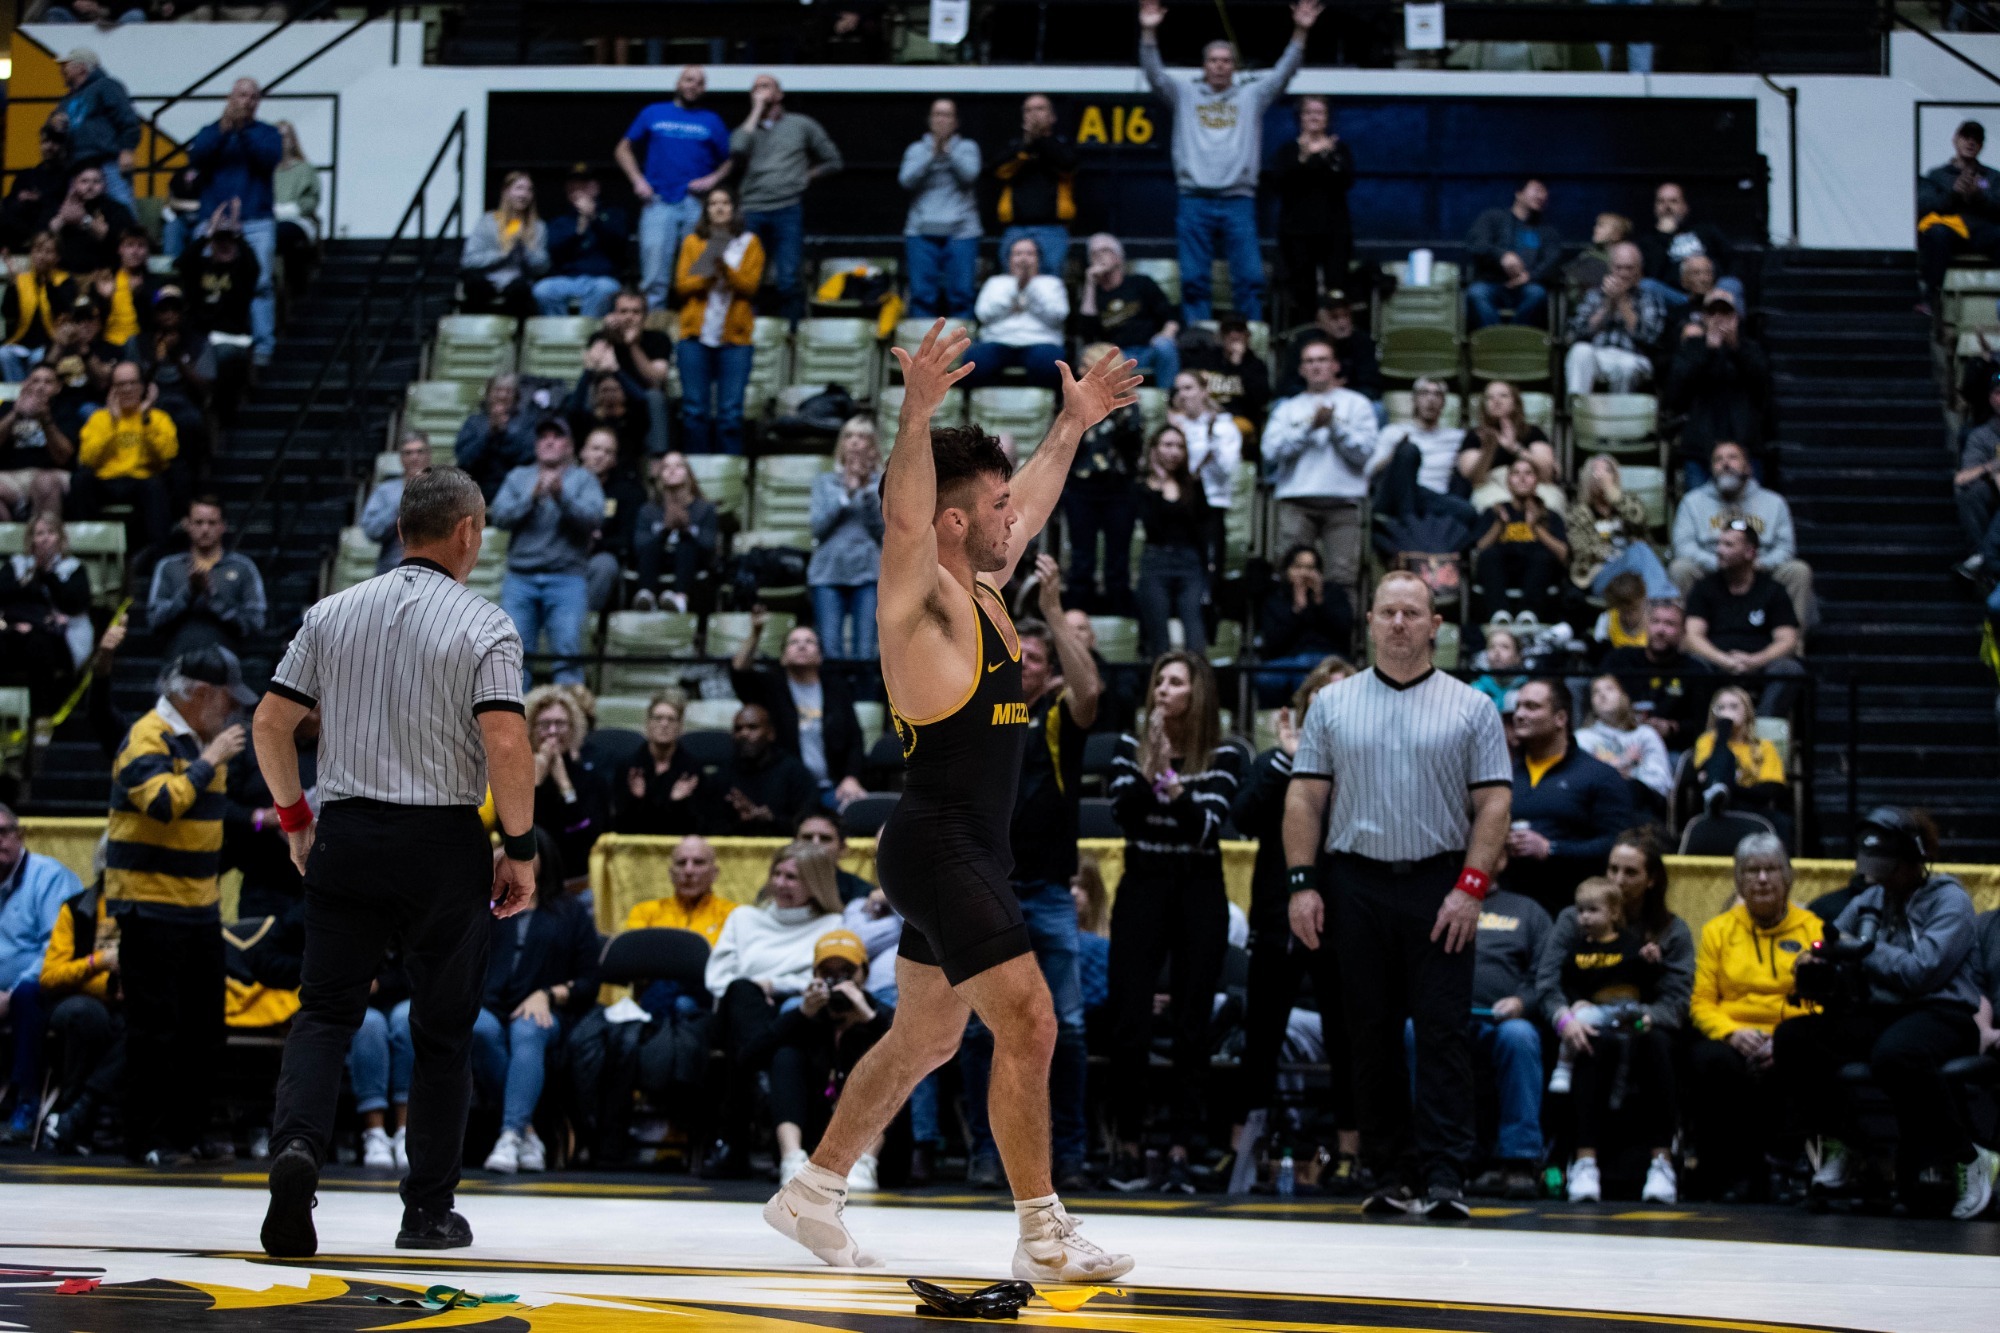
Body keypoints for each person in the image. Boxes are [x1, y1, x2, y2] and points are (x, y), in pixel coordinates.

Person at [762, 324, 1138, 1279]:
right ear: (962, 520)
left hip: (953, 846)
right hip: (939, 844)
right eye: (999, 505)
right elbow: (904, 520)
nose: (1018, 517)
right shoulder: (918, 597)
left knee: (927, 1033)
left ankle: (812, 1190)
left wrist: (1072, 424)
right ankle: (1043, 1233)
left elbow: (1033, 498)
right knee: (1032, 1021)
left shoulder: (986, 591)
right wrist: (916, 409)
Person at [254, 466, 538, 1256]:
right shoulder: (486, 625)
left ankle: (299, 1149)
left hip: (345, 833)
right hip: (442, 842)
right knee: (443, 1031)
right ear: (468, 532)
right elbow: (507, 741)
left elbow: (270, 724)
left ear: (401, 528)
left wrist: (294, 816)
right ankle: (426, 1211)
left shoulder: (330, 611)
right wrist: (520, 848)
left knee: (325, 1012)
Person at [1282, 570, 1513, 1219]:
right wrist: (1303, 883)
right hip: (1355, 881)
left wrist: (1471, 887)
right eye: (1389, 611)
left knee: (1443, 1030)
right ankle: (1386, 1171)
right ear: (1371, 621)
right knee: (1368, 1032)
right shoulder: (1333, 704)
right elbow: (1304, 795)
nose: (1401, 623)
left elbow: (1495, 800)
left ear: (1436, 624)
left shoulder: (1472, 706)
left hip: (1442, 881)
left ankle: (1445, 1174)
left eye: (1414, 612)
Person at [952, 561, 1103, 1190]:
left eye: (1036, 659)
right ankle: (988, 1153)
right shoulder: (978, 714)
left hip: (1045, 893)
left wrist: (1054, 605)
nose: (1024, 666)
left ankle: (1068, 1152)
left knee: (1065, 1029)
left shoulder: (1056, 722)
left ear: (1048, 672)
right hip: (987, 894)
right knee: (981, 1032)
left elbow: (1090, 692)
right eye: (1019, 656)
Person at [1773, 806, 1997, 1221]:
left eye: (1889, 868)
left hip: (1944, 1011)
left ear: (1915, 859)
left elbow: (1920, 972)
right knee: (1795, 1038)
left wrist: (1866, 950)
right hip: (1884, 1012)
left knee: (1895, 1055)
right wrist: (1813, 964)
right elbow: (1833, 943)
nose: (1878, 878)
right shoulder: (1871, 898)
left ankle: (1968, 1155)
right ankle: (1851, 1142)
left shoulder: (1951, 900)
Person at [104, 648, 252, 1164]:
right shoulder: (146, 736)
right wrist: (207, 762)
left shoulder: (200, 740)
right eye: (228, 701)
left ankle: (187, 1135)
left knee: (205, 1029)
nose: (232, 713)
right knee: (154, 1032)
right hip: (148, 906)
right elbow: (163, 804)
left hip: (198, 908)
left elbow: (210, 817)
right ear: (200, 695)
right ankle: (145, 1140)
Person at [1105, 652, 1244, 1190]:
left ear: (1198, 693)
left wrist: (1171, 782)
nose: (1162, 689)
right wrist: (1153, 772)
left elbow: (1206, 827)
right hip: (1142, 883)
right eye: (1158, 680)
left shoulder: (1227, 753)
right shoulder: (1126, 747)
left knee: (1192, 1022)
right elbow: (1126, 811)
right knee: (1129, 1020)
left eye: (1175, 682)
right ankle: (1129, 1145)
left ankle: (1185, 1145)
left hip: (1198, 886)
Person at [1232, 660, 1358, 1192]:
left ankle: (1352, 1150)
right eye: (1321, 699)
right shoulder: (1276, 761)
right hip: (1277, 911)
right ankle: (1239, 1152)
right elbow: (1243, 816)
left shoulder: (1363, 763)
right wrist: (1286, 757)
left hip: (1346, 913)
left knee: (1347, 1036)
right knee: (1259, 1034)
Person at [1137, 0, 1323, 322]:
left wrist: (1301, 31)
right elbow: (1153, 74)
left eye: (1226, 61)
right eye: (1214, 60)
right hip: (1194, 198)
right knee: (1194, 282)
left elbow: (1285, 72)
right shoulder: (1184, 94)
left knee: (1250, 280)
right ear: (1204, 65)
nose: (1220, 66)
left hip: (1238, 200)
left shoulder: (1251, 96)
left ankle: (1250, 338)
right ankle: (1199, 340)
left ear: (1234, 66)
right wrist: (1149, 31)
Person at [702, 843, 847, 1177]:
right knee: (743, 993)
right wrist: (759, 988)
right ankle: (790, 1153)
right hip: (746, 1014)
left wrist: (772, 985)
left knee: (786, 1047)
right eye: (777, 874)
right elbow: (718, 978)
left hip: (800, 1016)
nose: (782, 883)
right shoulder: (744, 918)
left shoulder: (832, 923)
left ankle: (737, 1146)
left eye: (793, 877)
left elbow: (824, 980)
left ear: (816, 883)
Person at [1688, 834, 1820, 1201]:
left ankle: (1786, 1168)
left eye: (1771, 870)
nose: (1762, 879)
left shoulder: (1813, 929)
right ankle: (1736, 1171)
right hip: (1735, 1035)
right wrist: (1732, 1034)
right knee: (1709, 1060)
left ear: (1787, 877)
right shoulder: (1718, 931)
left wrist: (1780, 1038)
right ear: (1738, 881)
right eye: (1752, 871)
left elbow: (1822, 1004)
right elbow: (1700, 1002)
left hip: (1788, 1036)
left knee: (1800, 1052)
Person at [1545, 877, 1679, 1205]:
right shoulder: (1577, 949)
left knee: (1655, 1043)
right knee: (1590, 1037)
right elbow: (1562, 982)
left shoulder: (1632, 945)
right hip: (1595, 1020)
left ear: (1614, 913)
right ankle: (1584, 1162)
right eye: (1581, 911)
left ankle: (1661, 1163)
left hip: (1632, 1014)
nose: (1585, 918)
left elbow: (1655, 985)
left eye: (1593, 910)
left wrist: (1652, 961)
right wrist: (1572, 1008)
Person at [476, 828, 602, 1174]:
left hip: (548, 1011)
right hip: (487, 1005)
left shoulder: (569, 910)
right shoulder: (484, 907)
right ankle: (528, 1132)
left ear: (545, 859)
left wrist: (547, 994)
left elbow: (590, 980)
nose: (516, 862)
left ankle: (509, 1135)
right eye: (508, 855)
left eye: (525, 854)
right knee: (479, 1029)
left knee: (528, 1030)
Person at [1263, 337, 1384, 604]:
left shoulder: (1357, 404)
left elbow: (1364, 453)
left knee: (1343, 577)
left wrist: (1334, 427)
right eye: (1309, 361)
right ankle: (1291, 639)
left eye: (1322, 360)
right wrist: (1309, 427)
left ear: (1335, 366)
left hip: (1344, 503)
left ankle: (1340, 643)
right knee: (1290, 574)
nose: (1316, 366)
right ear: (1301, 369)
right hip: (1296, 502)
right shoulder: (1288, 408)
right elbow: (1270, 453)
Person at [1502, 678, 1635, 915]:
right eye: (1518, 707)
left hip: (1574, 909)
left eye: (1532, 707)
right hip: (1511, 909)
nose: (1520, 715)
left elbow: (1617, 844)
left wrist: (1551, 848)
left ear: (1560, 718)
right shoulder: (1504, 774)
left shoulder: (1599, 776)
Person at [490, 419, 607, 688]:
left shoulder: (583, 479)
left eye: (557, 436)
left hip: (566, 577)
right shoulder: (518, 477)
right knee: (512, 656)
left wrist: (561, 496)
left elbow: (593, 519)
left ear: (569, 446)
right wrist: (530, 498)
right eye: (544, 437)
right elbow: (499, 517)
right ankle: (513, 720)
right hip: (521, 577)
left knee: (568, 654)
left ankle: (568, 720)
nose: (550, 441)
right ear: (536, 445)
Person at [1460, 880, 1552, 1199]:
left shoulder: (1527, 910)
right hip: (1449, 1016)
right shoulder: (1441, 900)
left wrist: (1523, 1002)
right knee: (1413, 1032)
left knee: (1520, 1036)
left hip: (1505, 1020)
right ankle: (1426, 1155)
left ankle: (1519, 1161)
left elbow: (1547, 971)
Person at [0, 803, 85, 1139]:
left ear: (20, 836)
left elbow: (55, 948)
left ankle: (26, 1099)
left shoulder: (47, 876)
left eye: (3, 833)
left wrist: (8, 994)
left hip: (48, 982)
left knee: (27, 995)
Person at [616, 66, 732, 311]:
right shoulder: (653, 112)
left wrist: (713, 179)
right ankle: (653, 334)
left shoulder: (711, 120)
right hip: (657, 202)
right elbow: (622, 149)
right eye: (689, 80)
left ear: (704, 89)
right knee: (654, 278)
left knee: (699, 273)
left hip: (696, 205)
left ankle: (694, 332)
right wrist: (637, 180)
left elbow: (732, 158)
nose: (693, 86)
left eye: (699, 83)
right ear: (678, 83)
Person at [730, 74, 843, 323]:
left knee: (788, 277)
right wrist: (756, 109)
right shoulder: (748, 128)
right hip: (752, 208)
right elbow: (737, 149)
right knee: (747, 275)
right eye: (756, 88)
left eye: (766, 86)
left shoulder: (801, 124)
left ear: (779, 94)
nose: (760, 91)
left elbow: (833, 160)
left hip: (787, 208)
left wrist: (806, 176)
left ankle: (792, 332)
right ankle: (746, 328)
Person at [185, 79, 281, 366]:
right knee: (199, 277)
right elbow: (198, 157)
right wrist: (225, 129)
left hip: (256, 219)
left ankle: (263, 346)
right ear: (229, 98)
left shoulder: (268, 133)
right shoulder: (211, 131)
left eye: (253, 97)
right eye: (241, 95)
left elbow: (267, 160)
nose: (247, 101)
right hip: (213, 219)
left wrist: (242, 131)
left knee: (261, 282)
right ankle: (201, 339)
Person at [1670, 441, 1815, 630]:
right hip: (1712, 568)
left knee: (1798, 571)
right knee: (1680, 568)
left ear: (1748, 466)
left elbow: (1785, 548)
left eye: (1733, 458)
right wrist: (1720, 562)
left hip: (1759, 568)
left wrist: (1757, 565)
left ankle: (1792, 644)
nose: (1725, 464)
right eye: (1718, 460)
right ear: (1712, 469)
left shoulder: (1773, 502)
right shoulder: (1692, 502)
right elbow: (1683, 547)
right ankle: (1686, 642)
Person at [731, 614, 869, 810]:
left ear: (820, 656)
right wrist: (756, 633)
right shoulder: (772, 687)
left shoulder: (836, 689)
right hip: (787, 790)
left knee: (860, 810)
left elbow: (854, 739)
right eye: (794, 642)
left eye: (809, 642)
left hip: (833, 787)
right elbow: (739, 672)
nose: (802, 646)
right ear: (783, 657)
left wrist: (851, 778)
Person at [1682, 520, 1806, 719]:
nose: (1719, 550)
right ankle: (1704, 734)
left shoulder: (1772, 590)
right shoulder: (1704, 588)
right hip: (1716, 665)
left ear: (1749, 552)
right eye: (1719, 544)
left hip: (1760, 666)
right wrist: (1726, 662)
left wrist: (1754, 662)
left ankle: (1763, 731)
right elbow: (1692, 637)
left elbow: (1788, 639)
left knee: (1790, 669)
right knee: (1693, 664)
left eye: (1728, 545)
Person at [673, 189, 763, 457]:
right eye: (713, 203)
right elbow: (682, 285)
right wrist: (710, 273)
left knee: (730, 415)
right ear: (706, 210)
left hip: (735, 340)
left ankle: (728, 470)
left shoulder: (749, 242)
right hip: (695, 337)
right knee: (694, 411)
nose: (719, 208)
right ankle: (698, 469)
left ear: (734, 209)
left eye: (725, 203)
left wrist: (725, 268)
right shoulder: (693, 242)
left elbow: (749, 286)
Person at [1060, 342, 1145, 614]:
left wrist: (1114, 412)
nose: (1080, 369)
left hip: (1119, 489)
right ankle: (1076, 616)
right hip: (1081, 488)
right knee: (1081, 558)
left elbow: (1134, 451)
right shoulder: (1073, 400)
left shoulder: (1130, 404)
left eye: (1086, 364)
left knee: (1117, 560)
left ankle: (1119, 617)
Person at [69, 359, 175, 555]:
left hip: (141, 481)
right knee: (80, 479)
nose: (127, 389)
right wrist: (114, 422)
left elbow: (166, 457)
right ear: (112, 389)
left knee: (157, 484)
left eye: (132, 383)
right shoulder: (99, 419)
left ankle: (158, 554)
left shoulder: (158, 418)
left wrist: (144, 420)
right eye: (120, 384)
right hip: (105, 482)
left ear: (143, 387)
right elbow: (87, 459)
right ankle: (88, 547)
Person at [1369, 376, 1479, 557]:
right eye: (1424, 393)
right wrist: (1394, 454)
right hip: (1397, 497)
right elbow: (1369, 471)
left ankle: (1416, 537)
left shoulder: (1456, 437)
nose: (1431, 399)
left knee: (1467, 512)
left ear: (1443, 402)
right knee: (1408, 451)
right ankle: (1410, 522)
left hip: (1436, 500)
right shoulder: (1393, 431)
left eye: (1437, 395)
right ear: (1414, 399)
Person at [1667, 289, 1771, 479]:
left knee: (1749, 509)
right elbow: (1676, 393)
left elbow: (1762, 386)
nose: (1718, 319)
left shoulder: (1751, 348)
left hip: (1745, 446)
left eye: (1725, 313)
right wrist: (1708, 351)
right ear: (1704, 318)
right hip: (1700, 447)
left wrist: (1735, 348)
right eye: (1712, 313)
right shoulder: (1692, 348)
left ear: (1736, 317)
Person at [146, 497, 267, 659]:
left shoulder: (243, 567)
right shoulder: (169, 567)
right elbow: (154, 621)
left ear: (223, 526)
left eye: (212, 523)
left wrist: (213, 597)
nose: (205, 529)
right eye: (198, 522)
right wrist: (189, 592)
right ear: (187, 524)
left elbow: (256, 624)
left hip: (227, 673)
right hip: (177, 668)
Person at [1273, 96, 1355, 324]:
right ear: (1300, 118)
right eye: (1309, 112)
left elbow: (1346, 180)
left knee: (1336, 289)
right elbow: (1281, 183)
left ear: (1328, 118)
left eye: (1319, 113)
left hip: (1333, 232)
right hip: (1297, 233)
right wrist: (1304, 157)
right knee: (1302, 291)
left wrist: (1328, 156)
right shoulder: (1288, 151)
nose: (1314, 117)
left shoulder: (1339, 149)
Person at [809, 417, 885, 660]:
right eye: (850, 436)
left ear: (872, 445)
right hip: (828, 572)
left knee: (865, 652)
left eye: (862, 437)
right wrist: (845, 495)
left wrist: (865, 493)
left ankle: (864, 699)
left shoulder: (882, 485)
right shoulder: (825, 482)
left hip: (868, 572)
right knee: (831, 651)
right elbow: (818, 528)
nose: (854, 442)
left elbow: (882, 531)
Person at [0, 513, 95, 708]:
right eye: (39, 533)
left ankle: (41, 714)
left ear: (60, 538)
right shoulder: (16, 565)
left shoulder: (73, 568)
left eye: (51, 533)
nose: (45, 538)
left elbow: (74, 604)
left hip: (61, 637)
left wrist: (48, 574)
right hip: (15, 630)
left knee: (37, 643)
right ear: (31, 540)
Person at [523, 686, 612, 893]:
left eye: (560, 724)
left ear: (573, 729)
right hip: (526, 889)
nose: (552, 732)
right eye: (544, 725)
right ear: (531, 729)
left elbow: (587, 834)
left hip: (576, 885)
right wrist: (535, 781)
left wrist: (564, 783)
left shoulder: (591, 780)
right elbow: (512, 831)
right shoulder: (515, 778)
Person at [1133, 424, 1211, 660]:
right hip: (1156, 561)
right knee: (1159, 640)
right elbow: (1151, 525)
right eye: (1167, 445)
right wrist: (1160, 482)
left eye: (1180, 446)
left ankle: (1199, 692)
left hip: (1190, 562)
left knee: (1196, 638)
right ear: (1154, 449)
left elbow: (1203, 527)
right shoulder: (1142, 487)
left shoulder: (1194, 485)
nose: (1174, 452)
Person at [900, 99, 981, 321]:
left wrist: (949, 152)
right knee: (922, 296)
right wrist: (932, 153)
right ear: (929, 120)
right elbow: (906, 180)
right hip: (921, 231)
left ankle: (962, 353)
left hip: (961, 232)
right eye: (937, 115)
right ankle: (922, 353)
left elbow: (970, 176)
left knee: (961, 295)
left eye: (947, 115)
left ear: (955, 122)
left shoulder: (967, 148)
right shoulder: (917, 149)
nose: (941, 120)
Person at [1470, 457, 1569, 628]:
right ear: (1508, 482)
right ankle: (1499, 612)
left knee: (1543, 557)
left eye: (1528, 473)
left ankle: (1528, 612)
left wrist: (1536, 527)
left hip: (1536, 576)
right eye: (1516, 473)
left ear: (1536, 481)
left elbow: (1563, 554)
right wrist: (1499, 525)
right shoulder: (1494, 512)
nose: (1522, 478)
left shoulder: (1550, 515)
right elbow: (1479, 550)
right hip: (1502, 573)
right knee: (1489, 555)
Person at [1600, 599, 1709, 753]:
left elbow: (1703, 723)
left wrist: (1671, 728)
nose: (1660, 629)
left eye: (1669, 624)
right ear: (1646, 625)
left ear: (1683, 632)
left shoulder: (1695, 671)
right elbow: (1597, 701)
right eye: (1655, 622)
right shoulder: (1620, 660)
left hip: (1671, 749)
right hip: (1617, 741)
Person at [1077, 233, 1181, 386]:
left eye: (1105, 251)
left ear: (1119, 258)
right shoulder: (1090, 295)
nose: (1099, 256)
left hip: (1149, 350)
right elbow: (1087, 334)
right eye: (1094, 253)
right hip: (1116, 357)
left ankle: (1168, 400)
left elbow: (1171, 317)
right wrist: (1090, 284)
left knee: (1165, 346)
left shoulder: (1141, 283)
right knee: (1093, 356)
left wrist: (1165, 335)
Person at [1918, 120, 2000, 314]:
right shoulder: (1936, 176)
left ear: (1981, 145)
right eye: (1966, 137)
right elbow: (1926, 206)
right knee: (1936, 234)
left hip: (1981, 233)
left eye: (1976, 139)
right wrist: (1953, 194)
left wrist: (1979, 196)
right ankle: (1931, 297)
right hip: (1950, 233)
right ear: (1955, 139)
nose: (1971, 143)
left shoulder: (1992, 177)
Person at [1563, 241, 1667, 394]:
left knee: (1626, 366)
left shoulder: (1649, 298)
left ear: (1639, 270)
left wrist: (1623, 302)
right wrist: (1607, 305)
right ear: (1610, 268)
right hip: (1598, 354)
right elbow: (1575, 333)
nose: (1624, 273)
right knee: (1580, 351)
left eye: (1629, 268)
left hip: (1633, 357)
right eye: (1619, 267)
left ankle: (1619, 416)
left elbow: (1649, 338)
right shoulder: (1594, 295)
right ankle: (1578, 409)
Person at [966, 236, 1069, 389]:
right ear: (1009, 259)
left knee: (1050, 364)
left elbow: (1057, 317)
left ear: (1038, 259)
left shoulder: (1052, 283)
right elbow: (983, 314)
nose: (1023, 259)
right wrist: (1015, 289)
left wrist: (1030, 288)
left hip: (1041, 342)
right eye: (1018, 254)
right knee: (975, 362)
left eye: (1029, 254)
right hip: (997, 341)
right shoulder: (995, 282)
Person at [1253, 544, 1352, 705]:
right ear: (1287, 571)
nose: (1304, 573)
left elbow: (1344, 632)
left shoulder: (1334, 594)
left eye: (1310, 568)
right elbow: (1272, 642)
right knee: (1268, 677)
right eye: (1298, 567)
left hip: (1327, 657)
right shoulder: (1276, 598)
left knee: (1309, 670)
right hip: (1286, 660)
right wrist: (1297, 610)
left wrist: (1320, 601)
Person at [1567, 454, 1675, 600]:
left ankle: (1658, 602)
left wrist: (1612, 493)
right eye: (1596, 472)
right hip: (1601, 575)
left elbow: (1639, 520)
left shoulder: (1627, 503)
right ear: (1587, 479)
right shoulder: (1578, 512)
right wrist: (1617, 555)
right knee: (1638, 551)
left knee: (1640, 550)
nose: (1602, 477)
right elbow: (1581, 549)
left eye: (1608, 471)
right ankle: (1664, 601)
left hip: (1633, 572)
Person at [993, 94, 1079, 276]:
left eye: (1040, 109)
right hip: (1015, 228)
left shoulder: (1062, 144)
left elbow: (1068, 165)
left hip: (1052, 229)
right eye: (1029, 110)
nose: (1034, 114)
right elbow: (998, 170)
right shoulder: (1014, 146)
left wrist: (1040, 139)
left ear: (1052, 117)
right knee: (1012, 284)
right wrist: (1026, 146)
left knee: (1049, 283)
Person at [1688, 685, 1790, 837]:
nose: (1727, 712)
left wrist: (1730, 788)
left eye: (1734, 706)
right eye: (1721, 708)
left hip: (1750, 805)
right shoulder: (1707, 741)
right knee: (1723, 757)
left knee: (1783, 822)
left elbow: (1770, 789)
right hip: (1713, 808)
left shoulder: (1764, 746)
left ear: (1747, 711)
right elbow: (1704, 777)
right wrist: (1724, 729)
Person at [533, 164, 629, 320]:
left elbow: (618, 244)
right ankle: (560, 336)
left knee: (606, 289)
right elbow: (553, 251)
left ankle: (588, 337)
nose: (578, 188)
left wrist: (593, 219)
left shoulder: (613, 215)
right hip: (566, 279)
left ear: (595, 188)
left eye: (584, 184)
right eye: (573, 184)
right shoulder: (560, 221)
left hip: (601, 278)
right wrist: (577, 232)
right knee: (542, 290)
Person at [1465, 179, 1562, 329]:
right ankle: (1495, 338)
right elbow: (1476, 245)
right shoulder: (1494, 218)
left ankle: (1514, 338)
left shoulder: (1546, 231)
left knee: (1537, 294)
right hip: (1493, 283)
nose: (1542, 196)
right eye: (1537, 190)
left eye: (1545, 192)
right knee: (1476, 293)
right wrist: (1502, 255)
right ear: (1519, 193)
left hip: (1527, 286)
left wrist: (1530, 276)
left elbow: (1553, 260)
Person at [51, 48, 140, 209]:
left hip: (107, 161)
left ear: (81, 68)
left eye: (66, 65)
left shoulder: (106, 86)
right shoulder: (68, 98)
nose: (62, 70)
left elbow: (127, 118)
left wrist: (127, 149)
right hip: (77, 165)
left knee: (121, 208)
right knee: (77, 212)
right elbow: (51, 127)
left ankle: (128, 234)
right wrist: (54, 124)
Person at [630, 450, 719, 612]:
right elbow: (638, 546)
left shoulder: (704, 508)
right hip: (658, 560)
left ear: (689, 474)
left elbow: (709, 546)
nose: (672, 470)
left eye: (678, 466)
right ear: (660, 475)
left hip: (692, 563)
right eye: (666, 467)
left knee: (686, 543)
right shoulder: (648, 510)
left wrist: (687, 529)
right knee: (652, 543)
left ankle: (680, 599)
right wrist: (665, 530)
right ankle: (646, 595)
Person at [616, 694, 715, 836]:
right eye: (658, 718)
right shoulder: (629, 768)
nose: (664, 724)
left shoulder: (692, 770)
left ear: (680, 727)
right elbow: (619, 827)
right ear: (648, 724)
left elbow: (700, 828)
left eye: (671, 719)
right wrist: (636, 800)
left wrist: (679, 804)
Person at [715, 703, 820, 837]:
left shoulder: (794, 773)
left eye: (753, 727)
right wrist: (741, 821)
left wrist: (772, 820)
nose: (744, 733)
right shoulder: (723, 775)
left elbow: (810, 824)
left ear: (770, 733)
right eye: (738, 729)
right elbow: (710, 828)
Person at [1574, 674, 1672, 813]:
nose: (1602, 694)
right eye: (1596, 692)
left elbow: (1660, 782)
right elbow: (1579, 781)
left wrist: (1627, 778)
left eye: (1609, 689)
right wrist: (1623, 762)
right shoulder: (1583, 737)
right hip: (1597, 806)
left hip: (1642, 804)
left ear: (1624, 697)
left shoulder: (1645, 734)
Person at [1454, 379, 1559, 509]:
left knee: (1551, 502)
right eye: (1489, 398)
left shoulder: (1532, 431)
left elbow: (1547, 472)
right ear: (1484, 406)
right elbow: (1470, 478)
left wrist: (1514, 447)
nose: (1496, 401)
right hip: (1492, 485)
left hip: (1532, 483)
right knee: (1488, 506)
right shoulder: (1476, 435)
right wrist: (1488, 450)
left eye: (1503, 396)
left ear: (1515, 403)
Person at [1167, 369, 1241, 548]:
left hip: (1211, 503)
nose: (1182, 395)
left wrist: (1211, 439)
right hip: (1177, 504)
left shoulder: (1222, 425)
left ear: (1203, 391)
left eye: (1188, 388)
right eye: (1178, 390)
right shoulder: (1173, 427)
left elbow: (1228, 469)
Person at [460, 172, 547, 319]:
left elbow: (543, 266)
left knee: (521, 290)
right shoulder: (488, 222)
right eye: (519, 188)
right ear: (506, 192)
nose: (524, 194)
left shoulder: (538, 226)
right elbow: (468, 261)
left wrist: (525, 246)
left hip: (517, 283)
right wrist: (502, 253)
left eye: (529, 190)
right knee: (474, 285)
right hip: (487, 280)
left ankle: (514, 337)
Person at [0, 365, 76, 521]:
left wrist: (46, 419)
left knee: (45, 482)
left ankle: (45, 538)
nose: (41, 386)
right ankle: (8, 540)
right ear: (26, 384)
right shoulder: (8, 407)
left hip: (52, 473)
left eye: (48, 382)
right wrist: (15, 414)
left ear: (58, 387)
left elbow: (63, 457)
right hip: (13, 476)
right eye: (35, 381)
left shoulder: (64, 409)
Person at [0, 231, 75, 383]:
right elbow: (7, 312)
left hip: (48, 343)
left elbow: (64, 311)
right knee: (4, 354)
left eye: (48, 252)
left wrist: (47, 283)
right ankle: (18, 393)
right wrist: (13, 285)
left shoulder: (64, 281)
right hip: (20, 343)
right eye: (37, 250)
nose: (42, 256)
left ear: (57, 257)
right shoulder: (21, 280)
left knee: (39, 357)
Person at [1182, 315, 1271, 438]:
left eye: (1239, 330)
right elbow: (1183, 383)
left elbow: (1260, 400)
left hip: (1238, 419)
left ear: (1247, 336)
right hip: (1203, 415)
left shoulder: (1255, 365)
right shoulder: (1205, 359)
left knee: (1231, 430)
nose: (1234, 335)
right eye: (1229, 330)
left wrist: (1239, 365)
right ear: (1220, 336)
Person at [455, 374, 537, 502]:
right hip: (478, 489)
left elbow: (528, 457)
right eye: (498, 390)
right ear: (488, 394)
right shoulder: (473, 422)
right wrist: (490, 434)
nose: (503, 396)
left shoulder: (526, 422)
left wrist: (503, 434)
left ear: (516, 396)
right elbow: (465, 459)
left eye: (508, 391)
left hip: (515, 490)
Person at [47, 165, 136, 278]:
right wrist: (62, 218)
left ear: (104, 185)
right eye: (84, 181)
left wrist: (84, 220)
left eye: (96, 181)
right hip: (63, 274)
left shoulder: (117, 209)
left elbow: (120, 239)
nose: (90, 186)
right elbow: (43, 235)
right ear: (74, 184)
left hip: (105, 275)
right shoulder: (59, 206)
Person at [363, 431, 433, 574]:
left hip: (434, 570)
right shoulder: (386, 491)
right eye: (408, 453)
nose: (414, 457)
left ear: (428, 455)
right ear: (401, 458)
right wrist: (400, 504)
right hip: (394, 570)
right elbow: (371, 531)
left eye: (420, 451)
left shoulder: (446, 489)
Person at [272, 121, 320, 293]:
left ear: (293, 140)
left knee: (282, 234)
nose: (281, 141)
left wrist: (288, 209)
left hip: (297, 219)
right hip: (269, 218)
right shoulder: (267, 170)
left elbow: (310, 200)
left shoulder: (304, 169)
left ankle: (290, 285)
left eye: (285, 136)